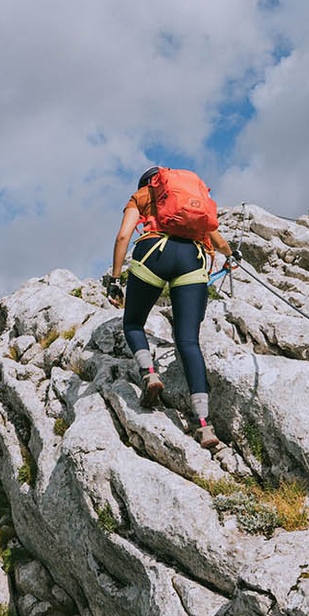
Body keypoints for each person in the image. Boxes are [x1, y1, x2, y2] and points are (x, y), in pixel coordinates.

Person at [108, 168, 229, 450]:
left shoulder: (141, 196)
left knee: (133, 324)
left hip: (154, 252)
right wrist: (232, 256)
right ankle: (203, 424)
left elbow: (123, 237)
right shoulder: (191, 203)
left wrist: (114, 279)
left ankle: (149, 373)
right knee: (188, 342)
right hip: (193, 257)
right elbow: (218, 239)